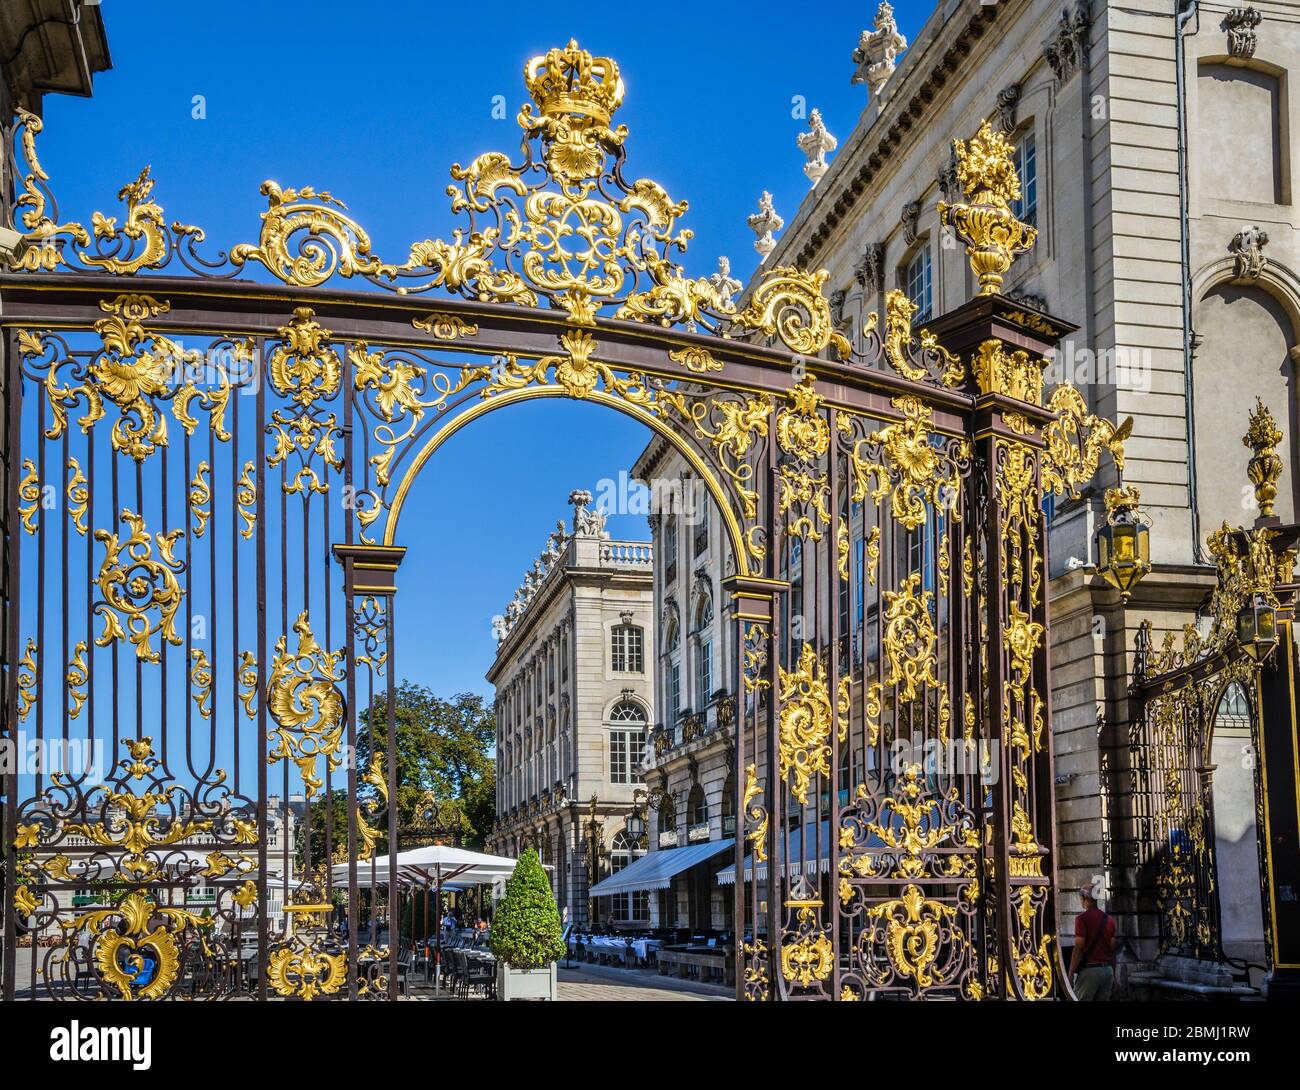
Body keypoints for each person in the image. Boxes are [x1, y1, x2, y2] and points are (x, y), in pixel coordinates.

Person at [1069, 876, 1116, 1000]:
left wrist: (1069, 975)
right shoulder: (1109, 920)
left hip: (1090, 972)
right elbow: (1112, 949)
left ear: (1085, 899)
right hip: (1107, 971)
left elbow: (1078, 950)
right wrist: (1113, 973)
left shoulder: (1081, 919)